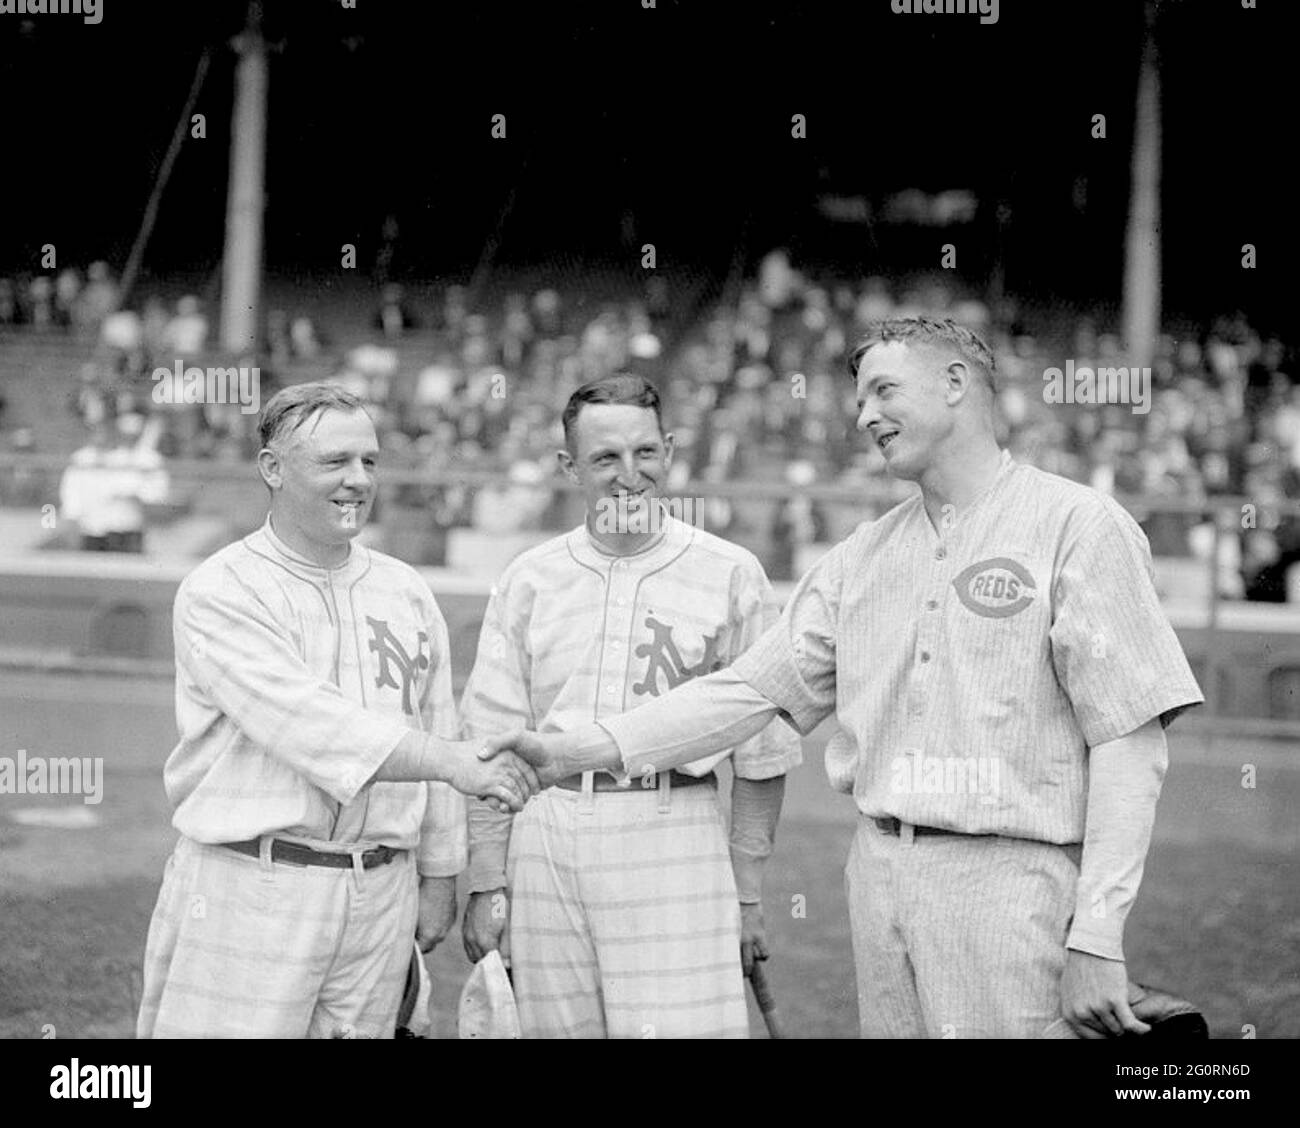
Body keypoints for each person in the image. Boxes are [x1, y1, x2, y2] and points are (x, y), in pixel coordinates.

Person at [489, 318, 1204, 1039]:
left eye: (883, 391)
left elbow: (1129, 741)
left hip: (1012, 884)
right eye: (861, 399)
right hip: (880, 876)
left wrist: (1098, 934)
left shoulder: (1078, 524)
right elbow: (741, 695)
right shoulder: (861, 556)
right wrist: (573, 752)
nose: (865, 416)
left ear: (956, 384)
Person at [137, 382, 539, 1039]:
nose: (358, 481)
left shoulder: (405, 590)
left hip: (379, 889)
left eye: (369, 463)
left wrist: (439, 874)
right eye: (335, 463)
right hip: (253, 883)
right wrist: (452, 762)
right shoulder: (222, 589)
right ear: (273, 469)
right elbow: (312, 725)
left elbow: (438, 724)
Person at [460, 373, 801, 1038]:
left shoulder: (731, 572)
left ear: (670, 452)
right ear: (569, 467)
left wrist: (749, 892)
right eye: (605, 459)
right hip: (548, 833)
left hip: (674, 828)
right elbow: (490, 741)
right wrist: (487, 882)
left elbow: (763, 756)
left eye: (645, 453)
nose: (629, 476)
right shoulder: (530, 577)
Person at [59, 417, 169, 552]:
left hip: (127, 528)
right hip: (91, 529)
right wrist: (71, 520)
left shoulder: (134, 458)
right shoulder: (81, 459)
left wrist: (131, 492)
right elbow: (71, 495)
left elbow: (146, 490)